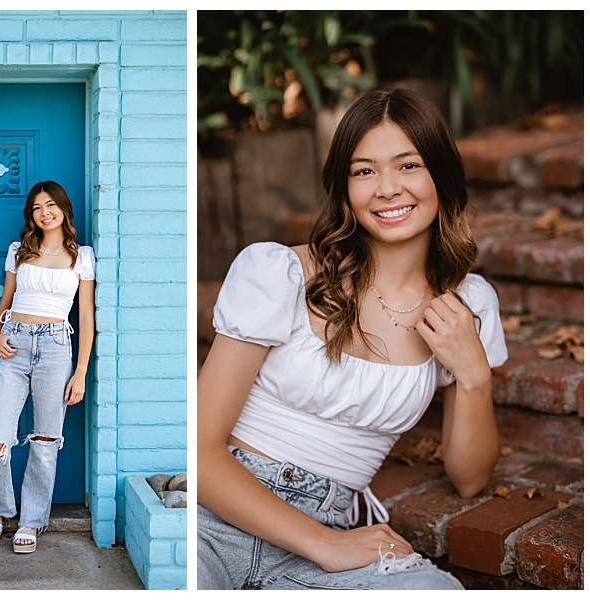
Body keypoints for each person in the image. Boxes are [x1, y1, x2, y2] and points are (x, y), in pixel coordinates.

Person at [197, 88, 508, 590]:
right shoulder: (283, 274)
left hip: (327, 530)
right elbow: (199, 448)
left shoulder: (468, 304)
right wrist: (325, 543)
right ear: (345, 189)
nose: (387, 188)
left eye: (408, 165)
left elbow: (470, 478)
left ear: (442, 176)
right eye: (364, 171)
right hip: (215, 517)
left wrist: (474, 376)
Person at [0, 180, 96, 554]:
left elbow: (88, 319)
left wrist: (80, 372)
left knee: (46, 440)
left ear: (63, 209)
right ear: (31, 214)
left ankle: (31, 519)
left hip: (57, 347)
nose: (44, 213)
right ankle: (0, 506)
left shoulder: (82, 256)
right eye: (36, 208)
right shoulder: (19, 250)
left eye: (50, 206)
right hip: (14, 343)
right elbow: (6, 300)